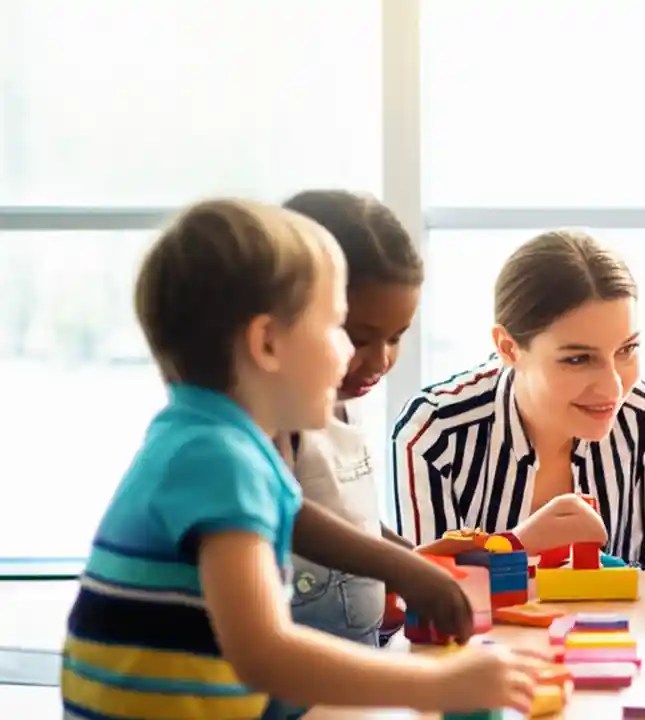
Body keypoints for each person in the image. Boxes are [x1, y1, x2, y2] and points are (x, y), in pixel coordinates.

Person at [60, 199, 543, 720]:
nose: (352, 356)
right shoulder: (218, 459)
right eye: (339, 327)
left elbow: (302, 521)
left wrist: (411, 565)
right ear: (267, 342)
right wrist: (433, 682)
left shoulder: (208, 441)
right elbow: (266, 654)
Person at [257, 190, 475, 720]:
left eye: (397, 337)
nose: (380, 360)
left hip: (350, 669)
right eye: (358, 337)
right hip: (291, 691)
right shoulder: (272, 418)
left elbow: (348, 517)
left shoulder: (336, 401)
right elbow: (293, 513)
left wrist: (418, 556)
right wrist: (403, 567)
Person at [392, 229, 645, 569]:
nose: (613, 388)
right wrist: (516, 546)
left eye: (626, 350)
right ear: (509, 348)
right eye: (578, 359)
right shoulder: (436, 433)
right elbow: (428, 600)